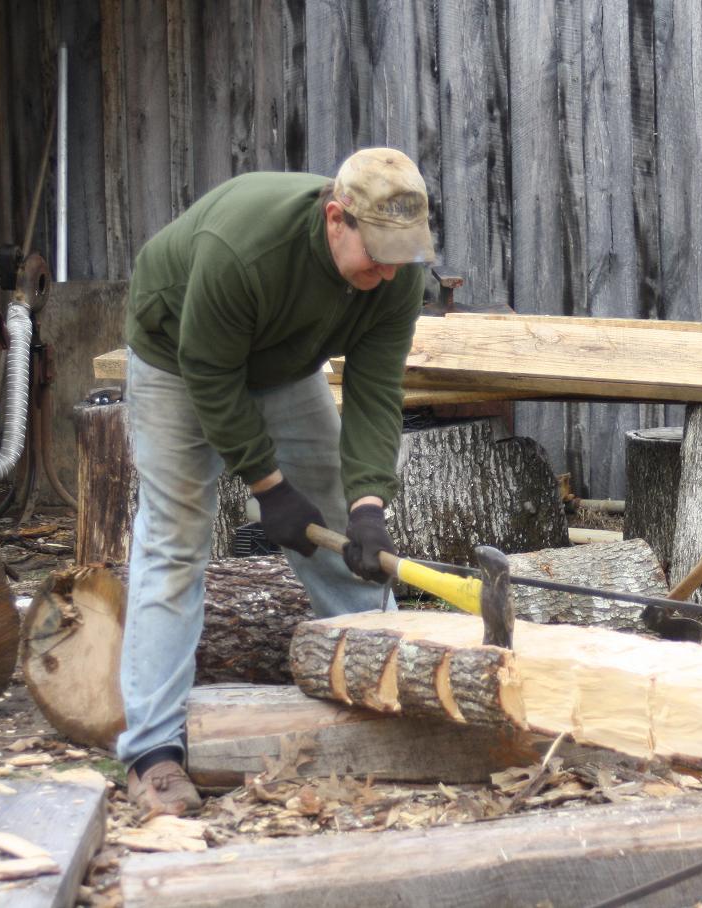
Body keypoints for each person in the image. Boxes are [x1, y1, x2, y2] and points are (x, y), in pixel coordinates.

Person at [117, 148, 435, 817]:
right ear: (334, 220)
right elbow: (209, 375)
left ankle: (386, 696)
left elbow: (377, 393)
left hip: (285, 364)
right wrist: (269, 488)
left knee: (345, 538)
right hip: (179, 354)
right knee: (176, 542)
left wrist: (369, 503)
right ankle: (152, 752)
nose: (383, 273)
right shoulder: (245, 250)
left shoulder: (395, 274)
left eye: (397, 259)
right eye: (373, 255)